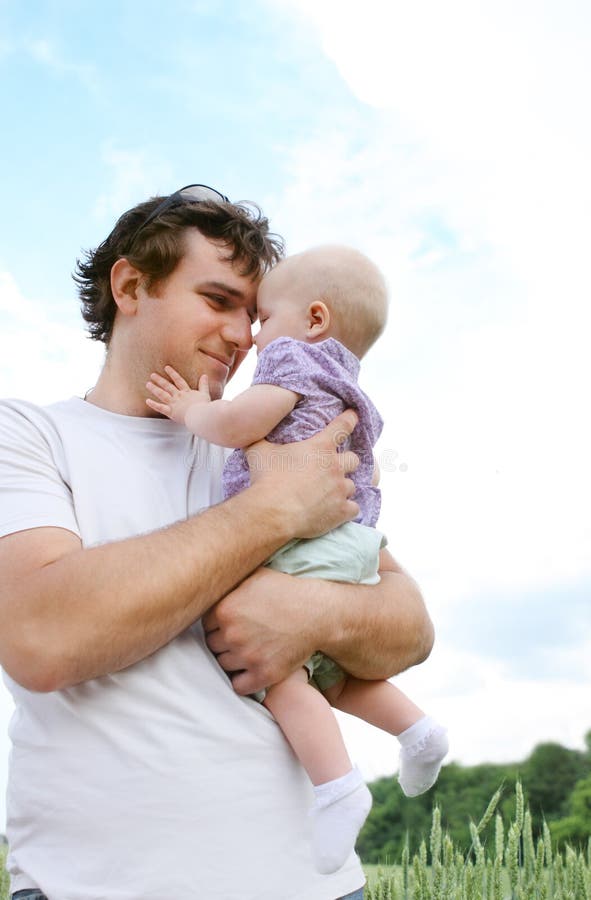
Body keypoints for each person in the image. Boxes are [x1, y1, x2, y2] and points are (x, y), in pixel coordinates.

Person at [0, 184, 434, 900]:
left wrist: (315, 617)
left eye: (255, 311)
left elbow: (409, 628)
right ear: (131, 284)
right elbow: (41, 639)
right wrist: (269, 513)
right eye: (219, 300)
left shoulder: (276, 441)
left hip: (315, 886)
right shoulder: (29, 436)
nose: (247, 335)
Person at [145, 245, 448, 874]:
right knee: (332, 674)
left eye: (261, 315)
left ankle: (337, 785)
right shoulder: (342, 376)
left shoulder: (292, 359)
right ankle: (417, 732)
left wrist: (190, 411)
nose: (252, 335)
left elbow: (237, 425)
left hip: (309, 544)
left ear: (313, 318)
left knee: (279, 669)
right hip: (353, 539)